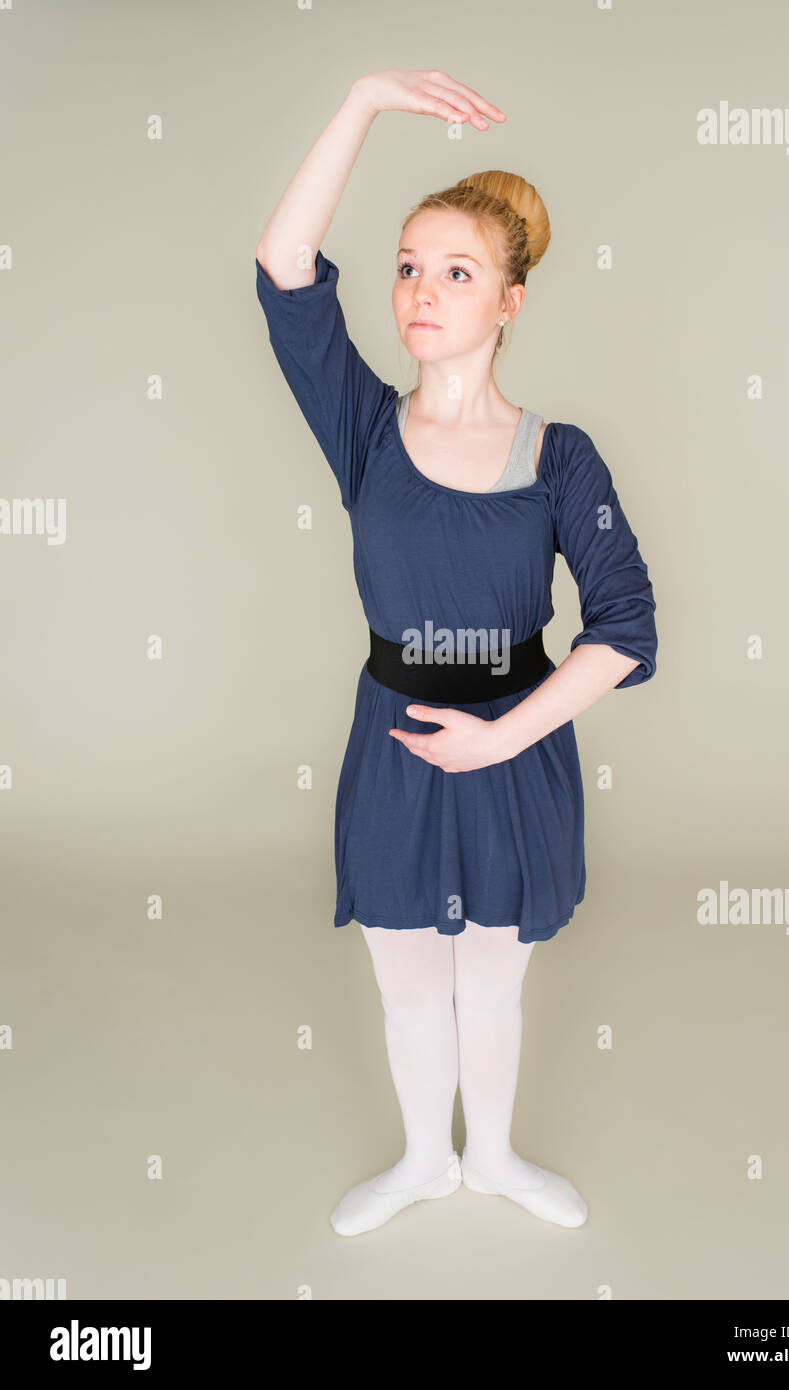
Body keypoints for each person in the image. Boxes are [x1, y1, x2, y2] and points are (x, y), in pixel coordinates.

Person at [254, 68, 658, 1237]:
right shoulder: (365, 429)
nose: (424, 291)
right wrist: (364, 100)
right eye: (408, 266)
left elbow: (626, 627)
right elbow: (285, 267)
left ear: (512, 301)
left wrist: (504, 738)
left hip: (514, 749)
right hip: (393, 741)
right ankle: (426, 1159)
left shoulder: (562, 457)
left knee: (489, 977)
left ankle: (497, 1156)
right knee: (401, 978)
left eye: (459, 272)